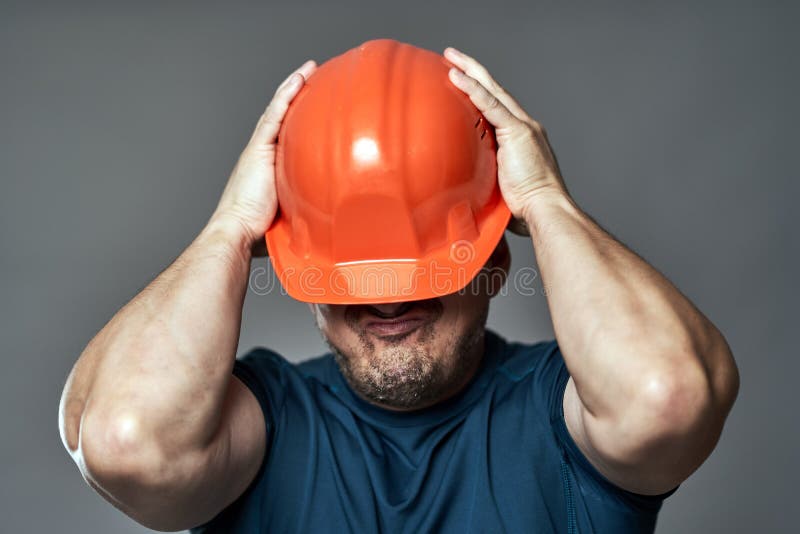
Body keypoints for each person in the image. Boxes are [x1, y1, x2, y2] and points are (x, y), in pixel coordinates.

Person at [58, 40, 739, 533]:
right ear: (303, 278)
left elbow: (668, 398)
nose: (387, 299)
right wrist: (229, 230)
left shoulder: (561, 414)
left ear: (495, 265)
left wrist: (544, 200)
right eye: (353, 274)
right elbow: (124, 440)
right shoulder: (262, 422)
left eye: (424, 271)